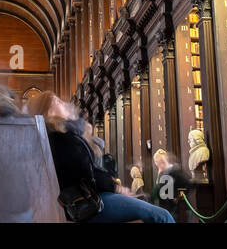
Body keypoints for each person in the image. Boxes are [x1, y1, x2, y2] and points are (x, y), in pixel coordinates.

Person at [29, 92, 173, 223]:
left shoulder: (64, 135)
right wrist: (116, 187)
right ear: (49, 111)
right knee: (162, 216)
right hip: (91, 202)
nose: (64, 103)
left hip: (88, 199)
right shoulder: (61, 138)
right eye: (57, 102)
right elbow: (85, 173)